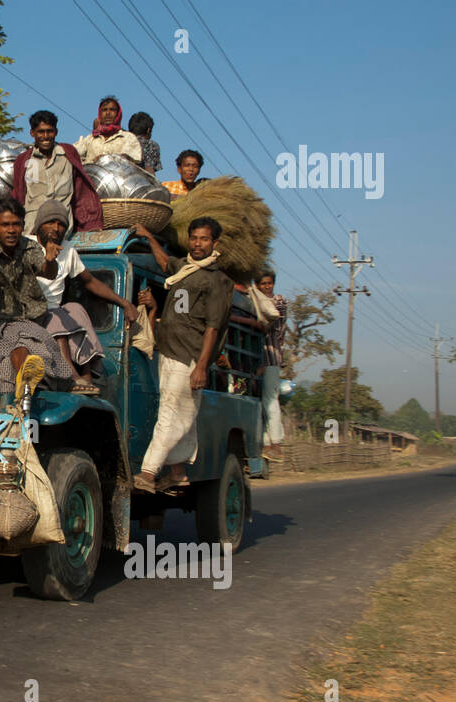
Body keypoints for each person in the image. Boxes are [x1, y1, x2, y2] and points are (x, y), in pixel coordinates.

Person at [130, 217, 235, 493]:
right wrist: (148, 236)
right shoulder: (186, 269)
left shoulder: (217, 281)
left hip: (188, 357)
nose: (197, 244)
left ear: (215, 243)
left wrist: (201, 366)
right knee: (183, 417)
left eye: (203, 239)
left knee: (170, 414)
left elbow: (213, 327)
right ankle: (177, 473)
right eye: (194, 238)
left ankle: (148, 472)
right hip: (169, 352)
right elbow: (166, 263)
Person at [0, 197, 76, 411]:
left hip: (19, 319)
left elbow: (48, 272)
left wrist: (49, 260)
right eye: (5, 225)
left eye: (16, 224)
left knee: (29, 341)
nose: (11, 230)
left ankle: (22, 387)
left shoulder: (30, 248)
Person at [29, 201, 138, 393]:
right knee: (55, 318)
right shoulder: (26, 246)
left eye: (61, 224)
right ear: (39, 224)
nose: (56, 228)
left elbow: (89, 282)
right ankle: (71, 374)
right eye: (51, 222)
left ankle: (87, 374)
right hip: (30, 311)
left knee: (75, 309)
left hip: (54, 311)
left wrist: (124, 302)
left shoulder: (68, 250)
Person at [11, 110, 103, 236]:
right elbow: (18, 196)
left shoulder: (68, 154)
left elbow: (81, 191)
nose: (46, 136)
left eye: (50, 131)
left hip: (62, 232)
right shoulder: (23, 161)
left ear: (56, 132)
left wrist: (91, 224)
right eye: (40, 132)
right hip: (31, 233)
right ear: (32, 133)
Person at [230, 268, 287, 460]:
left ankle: (276, 444)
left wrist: (234, 318)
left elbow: (265, 324)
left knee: (270, 398)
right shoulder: (252, 301)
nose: (266, 286)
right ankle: (262, 442)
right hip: (251, 358)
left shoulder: (278, 302)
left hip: (270, 356)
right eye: (263, 284)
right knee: (248, 395)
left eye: (269, 283)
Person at [75, 96, 142, 165]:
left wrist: (108, 158)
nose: (108, 113)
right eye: (104, 110)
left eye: (112, 110)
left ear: (118, 114)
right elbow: (74, 155)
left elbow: (132, 160)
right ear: (99, 114)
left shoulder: (128, 138)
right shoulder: (89, 139)